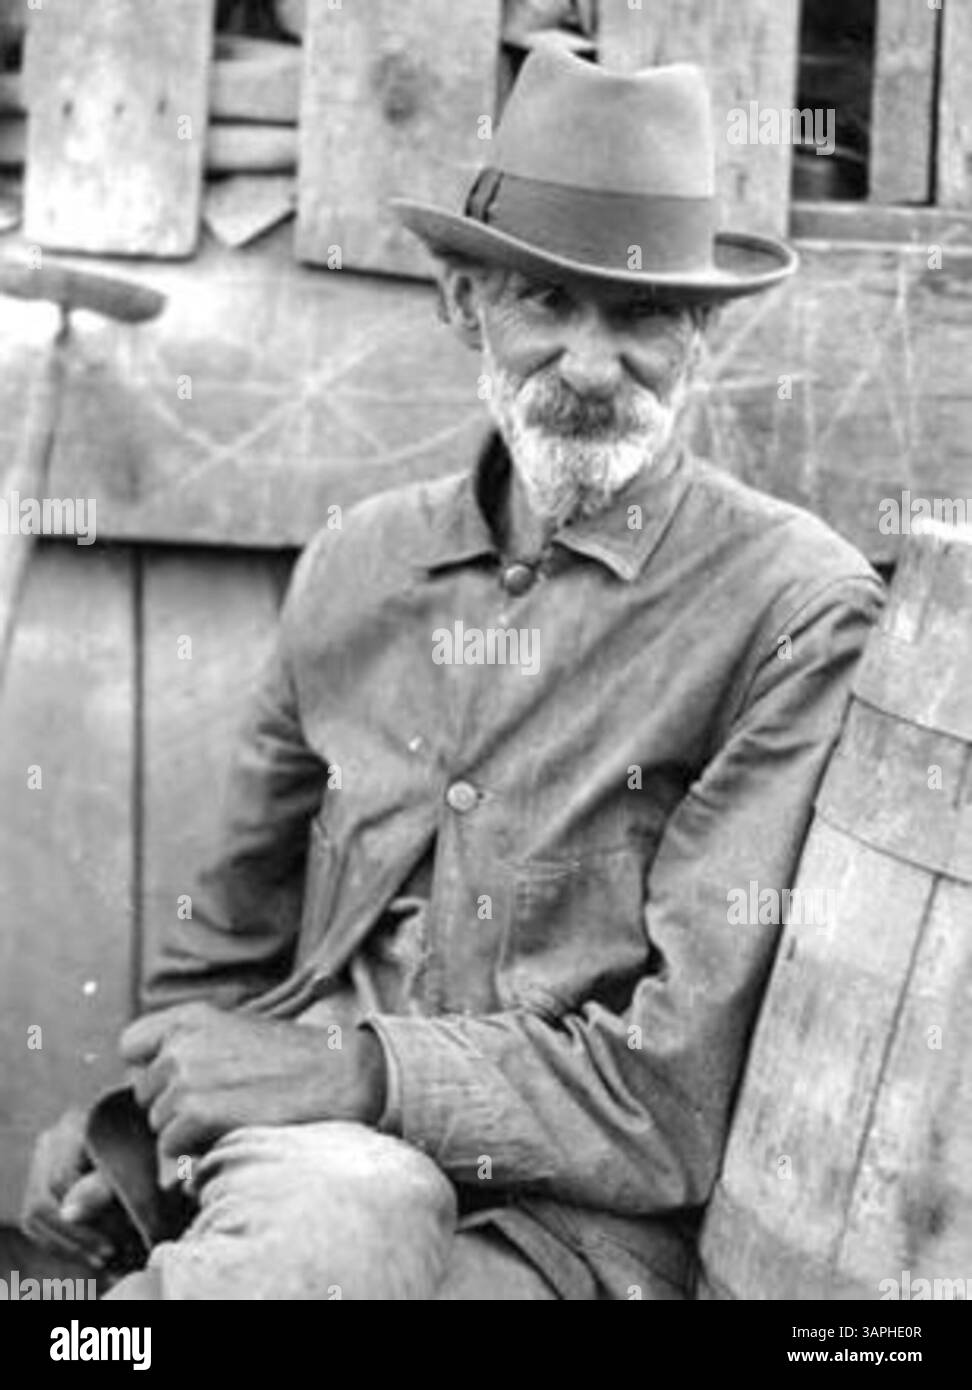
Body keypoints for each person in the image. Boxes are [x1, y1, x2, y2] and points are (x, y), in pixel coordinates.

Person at [22, 47, 884, 1300]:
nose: (593, 364)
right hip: (295, 1169)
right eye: (545, 300)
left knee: (340, 1228)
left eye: (643, 315)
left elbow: (670, 1097)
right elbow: (224, 951)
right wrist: (143, 1104)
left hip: (562, 1233)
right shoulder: (357, 566)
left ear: (701, 335)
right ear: (463, 299)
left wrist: (359, 1075)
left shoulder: (789, 612)